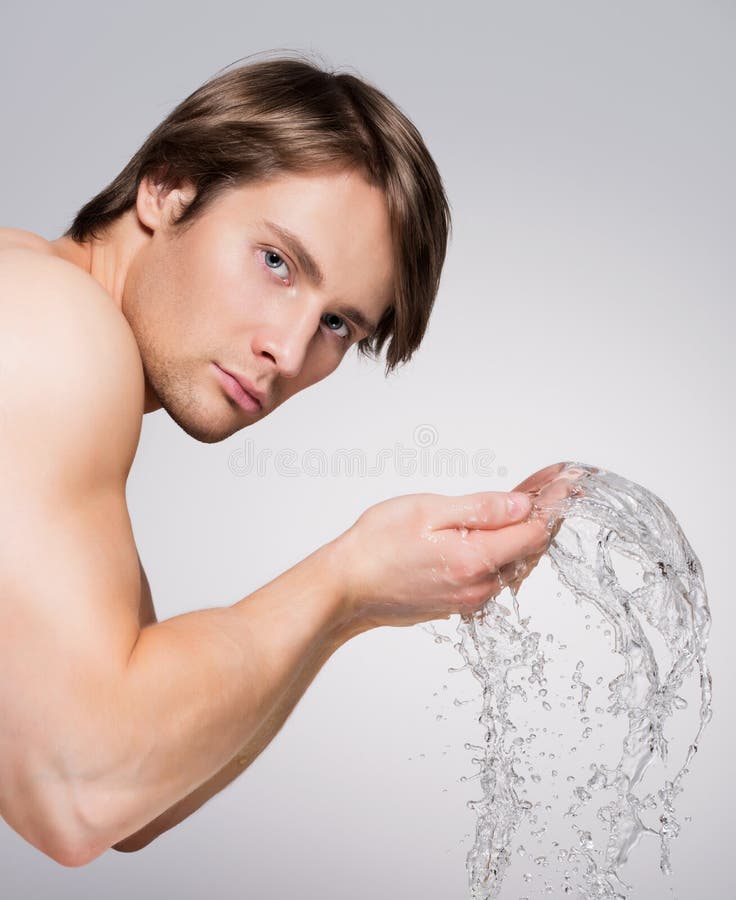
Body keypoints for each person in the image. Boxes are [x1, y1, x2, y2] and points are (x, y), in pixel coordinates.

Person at [0, 53, 577, 868]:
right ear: (168, 188)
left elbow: (137, 794)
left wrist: (360, 605)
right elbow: (81, 790)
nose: (289, 347)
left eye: (339, 324)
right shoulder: (51, 328)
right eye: (276, 262)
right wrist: (342, 577)